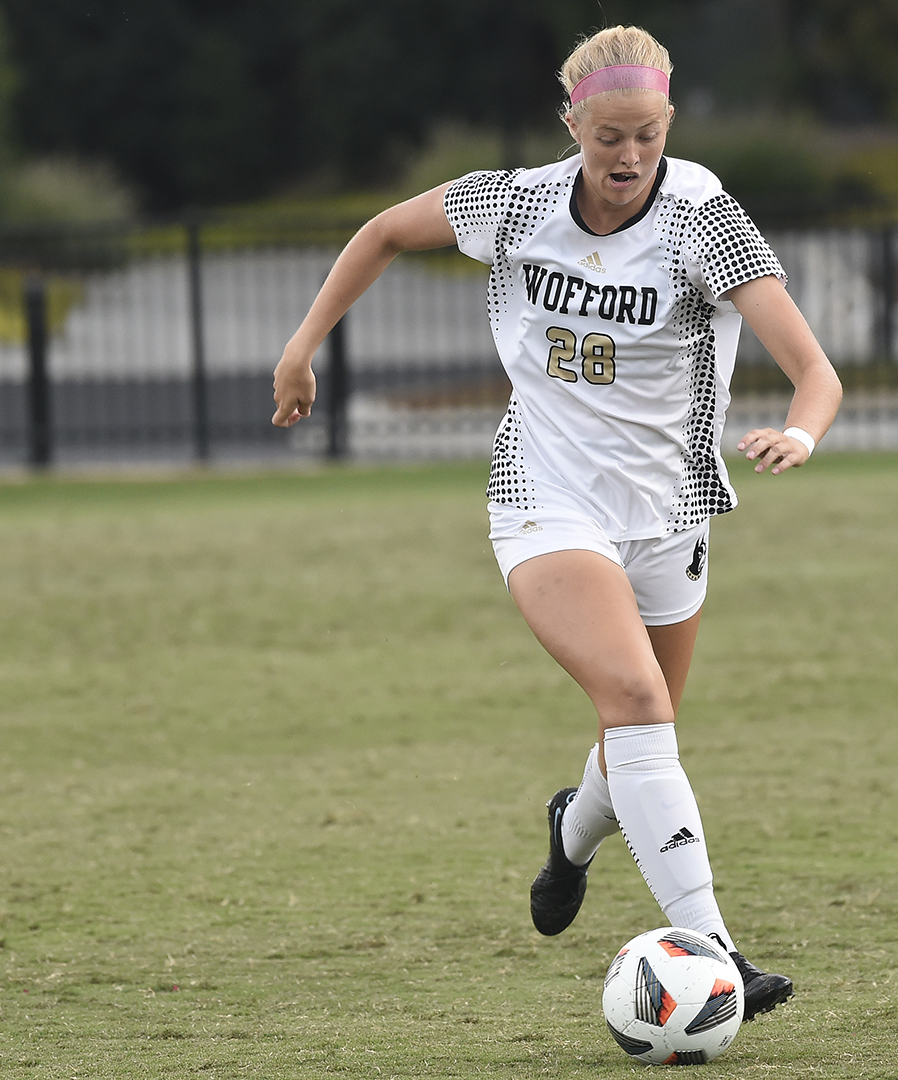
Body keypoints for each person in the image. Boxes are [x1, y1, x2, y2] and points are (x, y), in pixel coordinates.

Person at [271, 26, 837, 1021]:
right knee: (635, 698)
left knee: (643, 731)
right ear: (569, 119)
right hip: (545, 495)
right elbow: (382, 234)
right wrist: (302, 345)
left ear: (670, 125)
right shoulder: (517, 200)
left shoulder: (706, 216)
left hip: (670, 510)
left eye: (648, 137)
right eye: (608, 135)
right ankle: (715, 952)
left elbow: (815, 370)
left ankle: (574, 829)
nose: (627, 158)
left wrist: (801, 431)